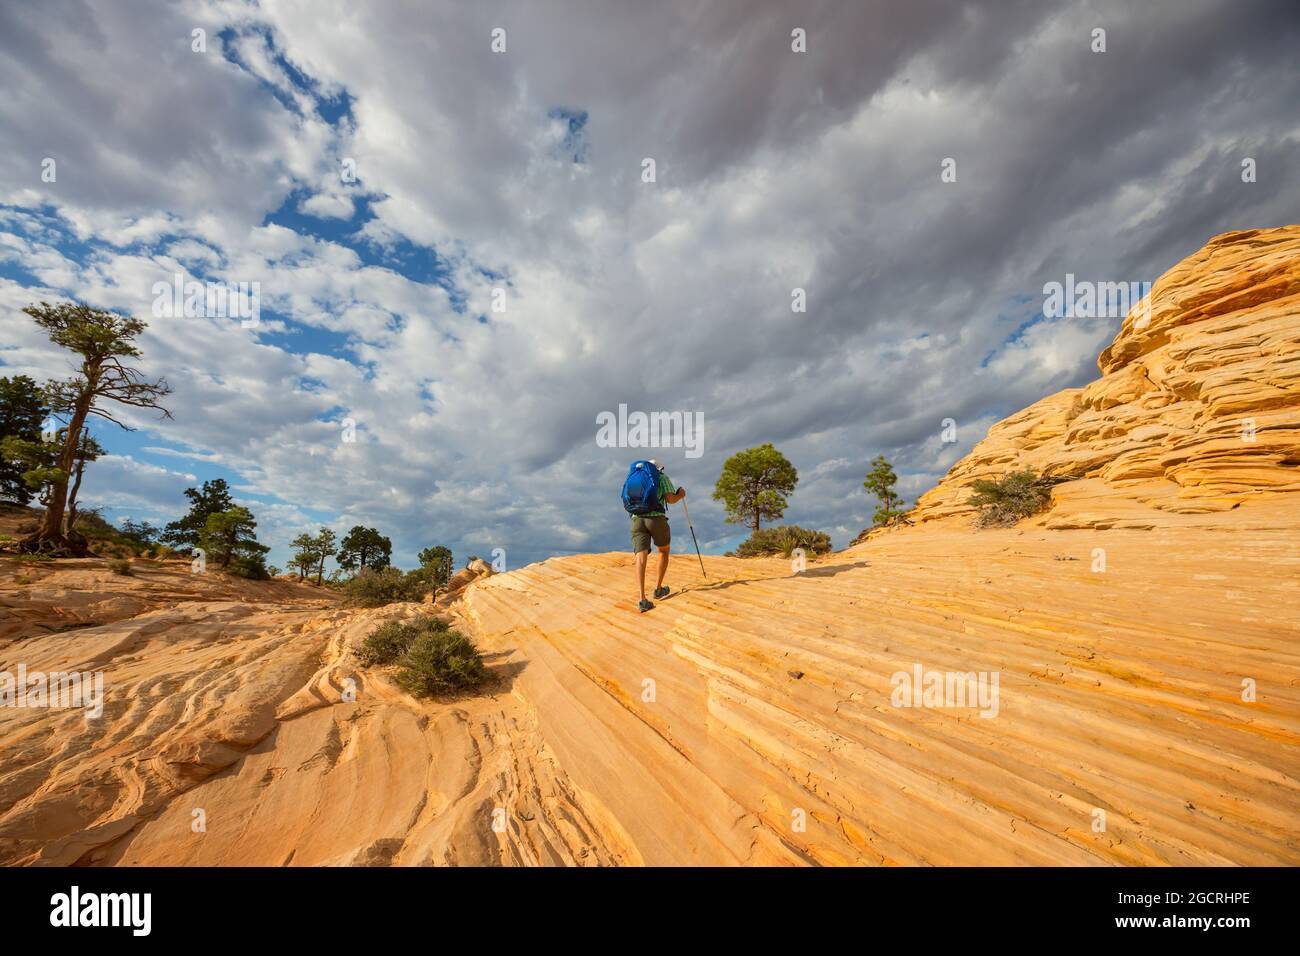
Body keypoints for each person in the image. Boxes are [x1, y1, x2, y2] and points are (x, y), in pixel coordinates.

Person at [628, 458, 685, 612]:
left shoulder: (634, 479)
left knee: (640, 557)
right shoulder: (661, 477)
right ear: (658, 469)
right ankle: (658, 589)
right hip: (656, 518)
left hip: (636, 520)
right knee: (663, 551)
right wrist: (680, 495)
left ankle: (642, 599)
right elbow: (670, 499)